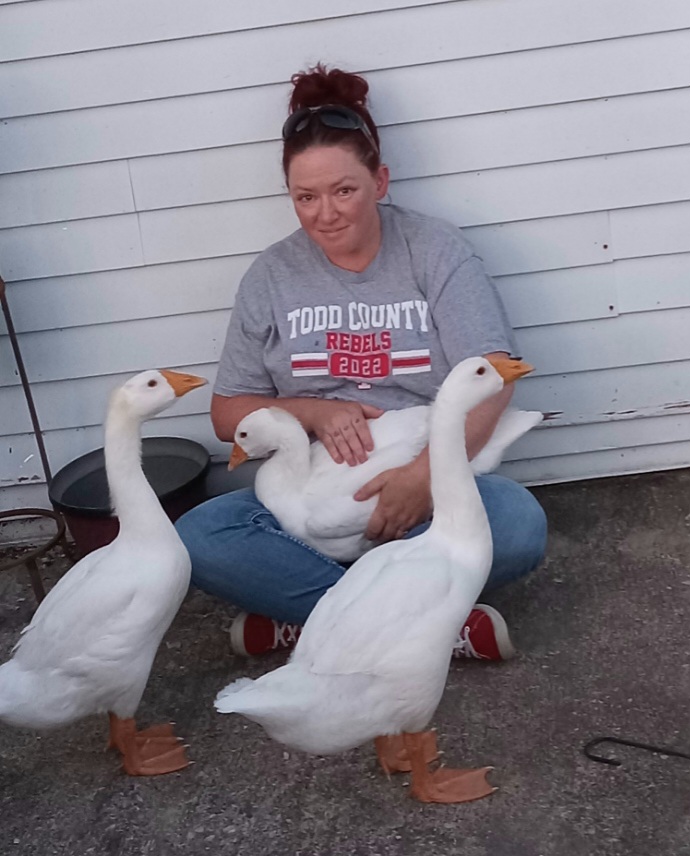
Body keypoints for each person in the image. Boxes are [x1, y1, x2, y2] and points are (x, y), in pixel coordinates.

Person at [176, 63, 547, 660]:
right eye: (306, 197)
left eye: (344, 189)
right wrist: (314, 413)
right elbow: (228, 414)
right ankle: (421, 626)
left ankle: (310, 621)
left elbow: (493, 378)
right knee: (199, 537)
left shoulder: (434, 250)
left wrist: (423, 480)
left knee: (517, 523)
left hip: (422, 475)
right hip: (311, 495)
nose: (326, 213)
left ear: (379, 179)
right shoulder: (271, 276)